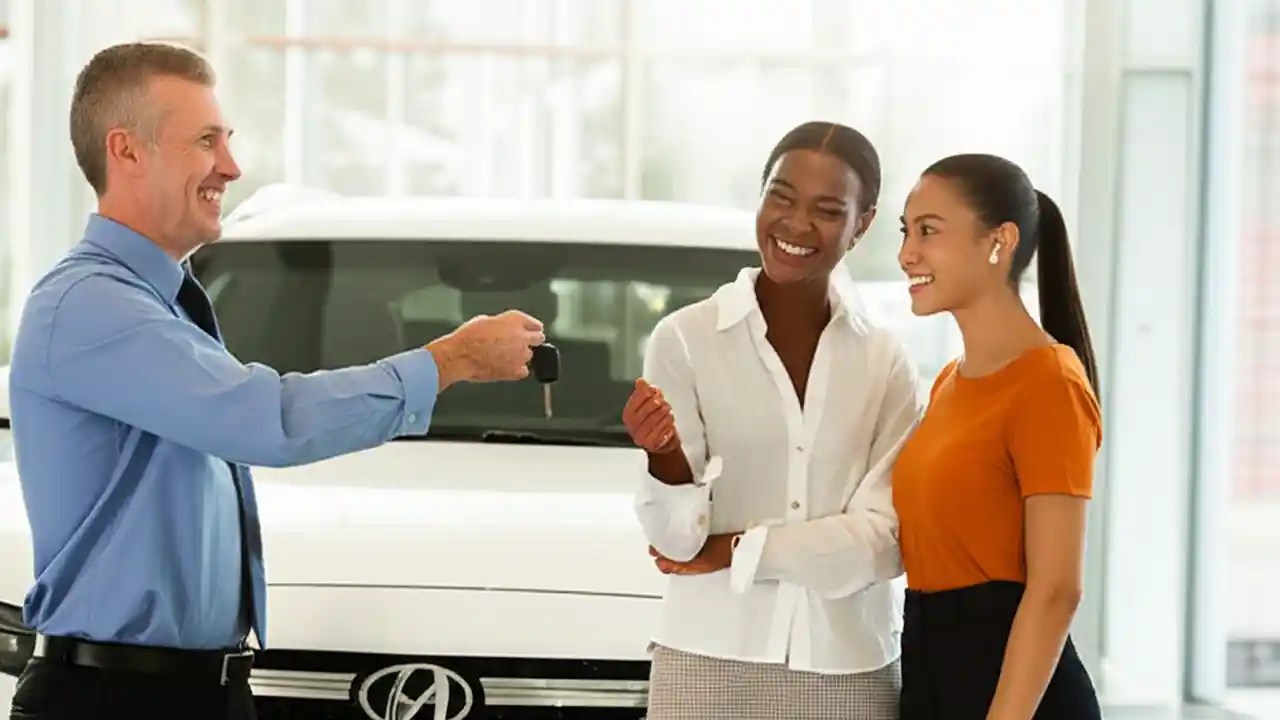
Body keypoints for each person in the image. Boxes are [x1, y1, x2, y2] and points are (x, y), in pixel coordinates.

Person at [5, 42, 542, 720]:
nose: (231, 166)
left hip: (196, 689)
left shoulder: (160, 305)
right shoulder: (89, 305)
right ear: (127, 151)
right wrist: (449, 361)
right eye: (206, 141)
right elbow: (267, 419)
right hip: (115, 698)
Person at [621, 121, 924, 719]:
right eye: (781, 197)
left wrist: (736, 549)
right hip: (706, 661)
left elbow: (885, 542)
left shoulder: (886, 360)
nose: (796, 224)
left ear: (862, 224)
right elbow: (678, 542)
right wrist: (664, 460)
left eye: (828, 209)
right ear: (759, 196)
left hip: (849, 666)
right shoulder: (685, 340)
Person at [892, 153, 1103, 718]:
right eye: (906, 231)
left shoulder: (1049, 382)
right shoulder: (946, 384)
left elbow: (1057, 588)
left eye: (929, 231)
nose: (906, 252)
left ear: (999, 241)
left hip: (1014, 692)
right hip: (929, 666)